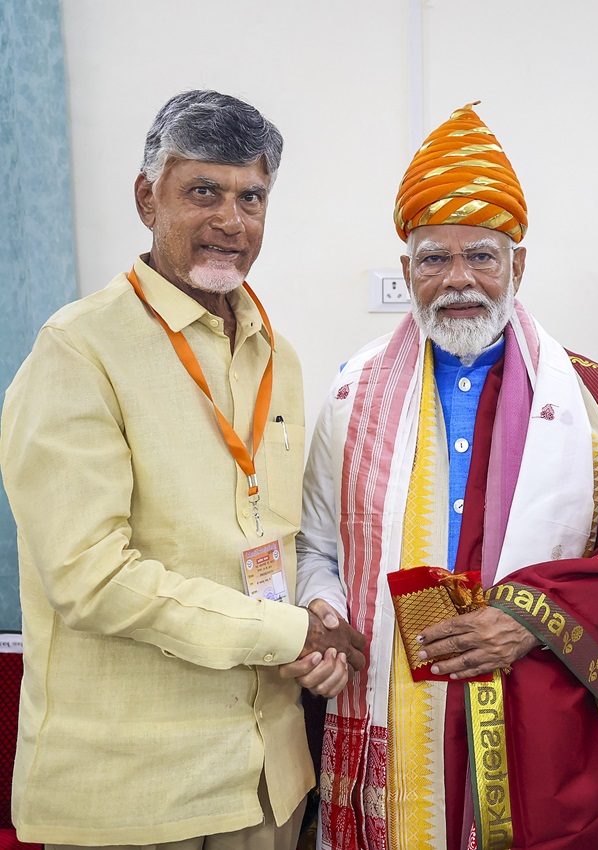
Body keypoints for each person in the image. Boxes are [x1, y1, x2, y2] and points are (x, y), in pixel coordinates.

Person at [294, 102, 598, 850]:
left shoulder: (596, 399)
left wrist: (528, 618)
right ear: (407, 270)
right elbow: (317, 548)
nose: (459, 279)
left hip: (537, 725)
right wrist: (325, 616)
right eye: (435, 258)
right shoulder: (350, 397)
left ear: (518, 265)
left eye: (483, 256)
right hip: (389, 709)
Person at [0, 90, 366, 849]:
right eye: (204, 191)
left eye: (251, 198)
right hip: (138, 794)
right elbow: (90, 577)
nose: (230, 221)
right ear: (147, 197)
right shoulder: (79, 350)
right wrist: (283, 630)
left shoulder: (280, 356)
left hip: (270, 782)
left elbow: (280, 537)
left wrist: (318, 625)